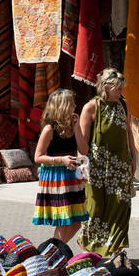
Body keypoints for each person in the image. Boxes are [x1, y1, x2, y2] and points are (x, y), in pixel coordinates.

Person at [75, 67, 139, 259]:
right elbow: (83, 141)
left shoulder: (123, 104)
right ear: (106, 87)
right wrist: (82, 167)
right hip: (96, 167)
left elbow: (128, 131)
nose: (121, 91)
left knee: (121, 206)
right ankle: (88, 245)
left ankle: (116, 248)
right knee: (95, 209)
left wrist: (133, 157)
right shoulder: (91, 107)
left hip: (119, 165)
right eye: (118, 88)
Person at [33, 88, 89, 244]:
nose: (75, 106)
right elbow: (38, 157)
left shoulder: (73, 126)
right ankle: (54, 252)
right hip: (56, 177)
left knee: (76, 221)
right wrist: (61, 160)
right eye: (71, 103)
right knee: (64, 221)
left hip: (71, 177)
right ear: (62, 106)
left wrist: (77, 128)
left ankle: (54, 250)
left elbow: (84, 151)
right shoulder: (49, 129)